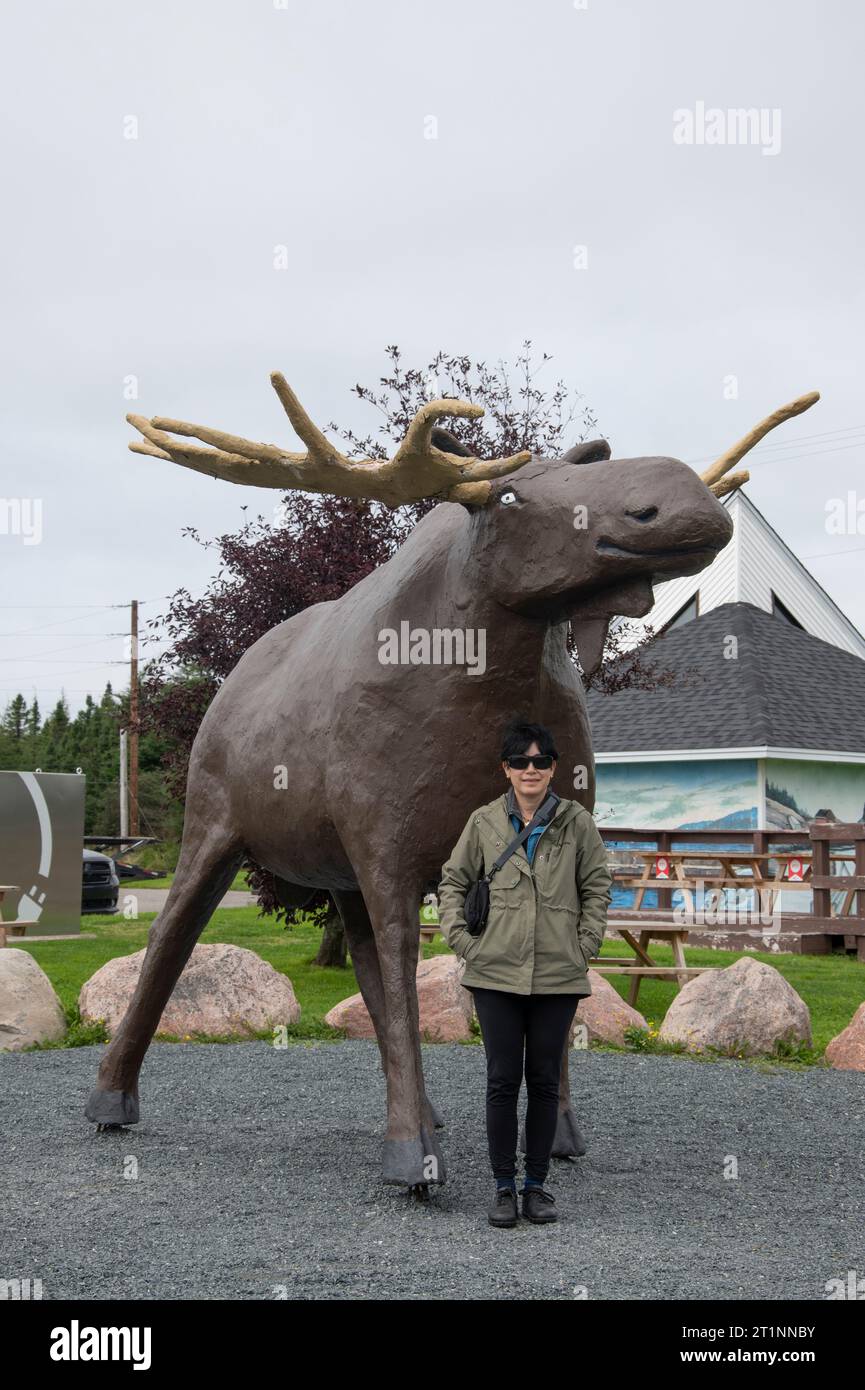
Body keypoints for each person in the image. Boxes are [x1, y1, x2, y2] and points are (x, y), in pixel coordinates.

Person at [437, 718, 611, 1228]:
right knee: (501, 1080)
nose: (530, 770)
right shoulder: (483, 822)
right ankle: (502, 1188)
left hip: (558, 975)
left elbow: (598, 885)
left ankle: (537, 1187)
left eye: (540, 761)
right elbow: (452, 882)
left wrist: (585, 946)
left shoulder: (575, 822)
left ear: (553, 768)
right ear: (506, 770)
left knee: (544, 1082)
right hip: (494, 975)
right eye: (520, 762)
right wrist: (464, 941)